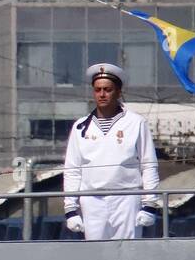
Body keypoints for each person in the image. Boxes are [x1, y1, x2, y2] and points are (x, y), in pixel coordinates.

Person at [63, 63, 160, 240]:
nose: (102, 94)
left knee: (127, 254)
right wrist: (70, 208)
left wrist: (149, 204)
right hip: (92, 200)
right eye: (98, 89)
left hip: (127, 197)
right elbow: (72, 169)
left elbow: (149, 165)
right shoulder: (80, 126)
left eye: (107, 89)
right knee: (96, 256)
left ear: (118, 91)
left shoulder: (136, 123)